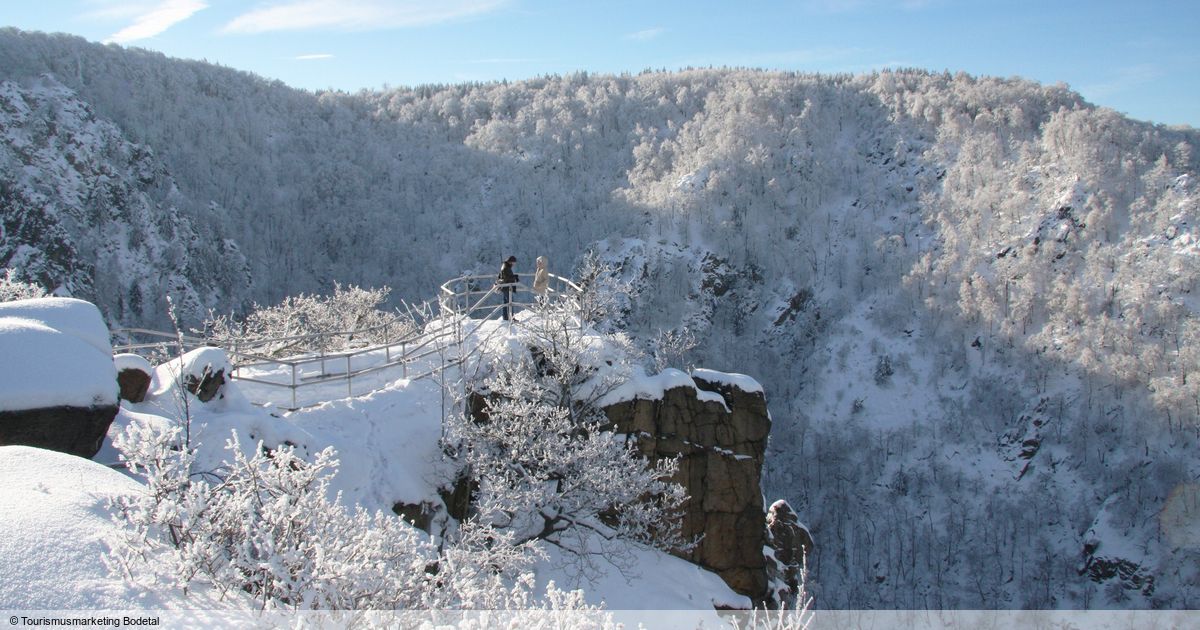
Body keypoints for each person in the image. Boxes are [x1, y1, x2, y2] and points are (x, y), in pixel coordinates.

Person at [496, 255, 518, 320]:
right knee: (510, 302)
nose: (514, 264)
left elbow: (505, 276)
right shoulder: (506, 267)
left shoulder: (505, 266)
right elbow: (506, 278)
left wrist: (513, 276)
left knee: (506, 303)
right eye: (514, 262)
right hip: (507, 287)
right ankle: (511, 318)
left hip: (505, 287)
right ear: (511, 262)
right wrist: (514, 277)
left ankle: (506, 317)